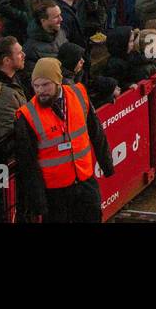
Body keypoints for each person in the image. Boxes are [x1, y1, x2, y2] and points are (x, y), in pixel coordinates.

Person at [14, 57, 115, 223]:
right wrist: (39, 202)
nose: (40, 91)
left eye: (45, 85)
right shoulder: (27, 115)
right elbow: (28, 163)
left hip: (85, 182)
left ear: (58, 81)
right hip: (55, 193)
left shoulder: (79, 94)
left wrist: (107, 165)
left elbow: (96, 132)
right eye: (36, 86)